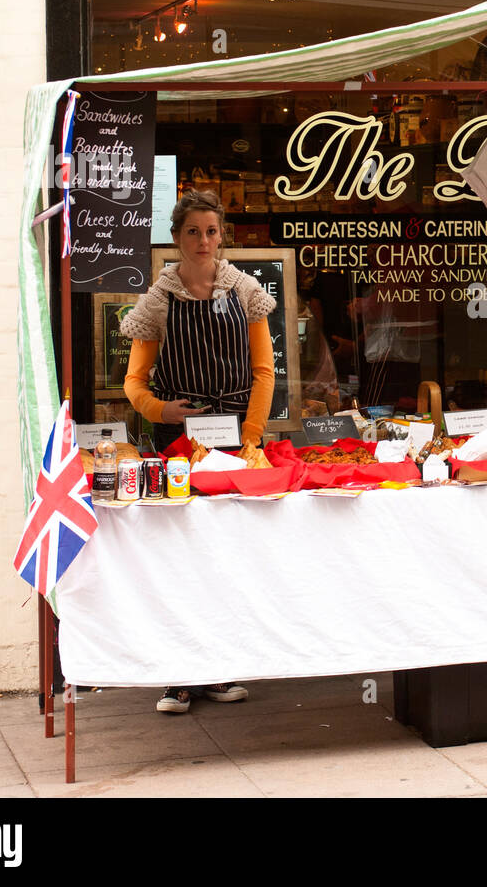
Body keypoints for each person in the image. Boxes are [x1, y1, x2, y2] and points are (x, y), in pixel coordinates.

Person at [121, 189, 276, 714]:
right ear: (176, 237)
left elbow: (263, 372)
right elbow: (135, 383)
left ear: (222, 235)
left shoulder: (247, 292)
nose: (204, 241)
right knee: (178, 551)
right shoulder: (157, 301)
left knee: (226, 551)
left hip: (232, 438)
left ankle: (217, 667)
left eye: (212, 231)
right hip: (179, 440)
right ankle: (177, 676)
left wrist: (251, 435)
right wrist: (165, 413)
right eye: (193, 231)